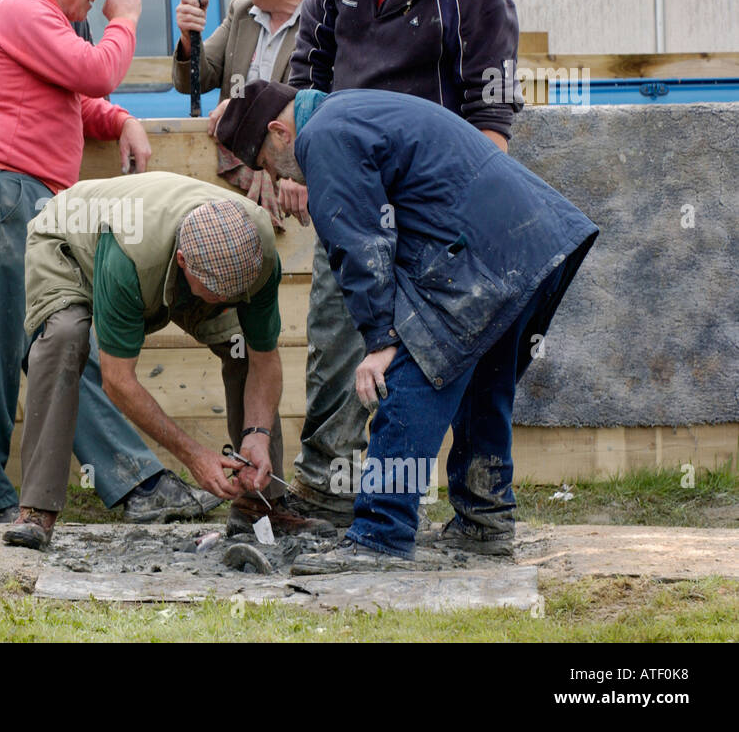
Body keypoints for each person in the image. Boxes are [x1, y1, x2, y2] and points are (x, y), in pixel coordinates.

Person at [216, 81, 596, 569]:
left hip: (483, 251)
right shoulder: (349, 111)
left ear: (279, 131)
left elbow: (360, 243)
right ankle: (485, 522)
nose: (272, 172)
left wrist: (382, 339)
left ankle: (381, 533)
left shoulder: (323, 136)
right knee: (484, 386)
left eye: (265, 161)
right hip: (534, 241)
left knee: (412, 375)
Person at [265, 0, 525, 529]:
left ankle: (478, 510)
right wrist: (304, 158)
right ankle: (326, 491)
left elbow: (490, 108)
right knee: (336, 332)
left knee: (453, 351)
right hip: (349, 179)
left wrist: (475, 210)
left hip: (431, 194)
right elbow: (309, 65)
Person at [0, 0, 219, 525]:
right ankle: (2, 500)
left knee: (53, 345)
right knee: (12, 349)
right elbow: (95, 72)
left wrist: (121, 120)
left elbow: (79, 96)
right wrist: (129, 17)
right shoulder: (25, 8)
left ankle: (124, 484)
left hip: (12, 199)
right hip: (5, 196)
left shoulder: (34, 15)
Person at [4, 171, 337, 549]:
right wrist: (193, 456)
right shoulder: (128, 261)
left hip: (173, 247)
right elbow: (117, 380)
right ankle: (36, 511)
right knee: (64, 338)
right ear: (183, 263)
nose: (229, 303)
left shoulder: (256, 253)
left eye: (235, 294)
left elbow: (265, 359)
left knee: (241, 344)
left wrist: (256, 434)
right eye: (217, 294)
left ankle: (260, 506)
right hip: (71, 237)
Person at [174, 0, 317, 229]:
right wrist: (189, 39)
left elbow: (319, 101)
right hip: (234, 187)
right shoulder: (241, 11)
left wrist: (239, 105)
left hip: (296, 181)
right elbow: (194, 81)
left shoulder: (326, 22)